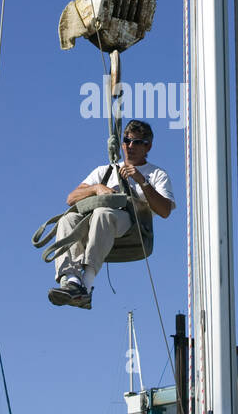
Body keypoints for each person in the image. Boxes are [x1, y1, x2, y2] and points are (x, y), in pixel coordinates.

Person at [49, 120, 175, 309]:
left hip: (133, 226)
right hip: (99, 226)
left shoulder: (157, 174)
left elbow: (164, 211)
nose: (130, 146)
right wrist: (97, 188)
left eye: (137, 142)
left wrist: (141, 181)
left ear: (148, 145)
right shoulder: (105, 171)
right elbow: (71, 198)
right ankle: (72, 281)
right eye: (127, 141)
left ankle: (87, 284)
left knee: (102, 214)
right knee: (68, 219)